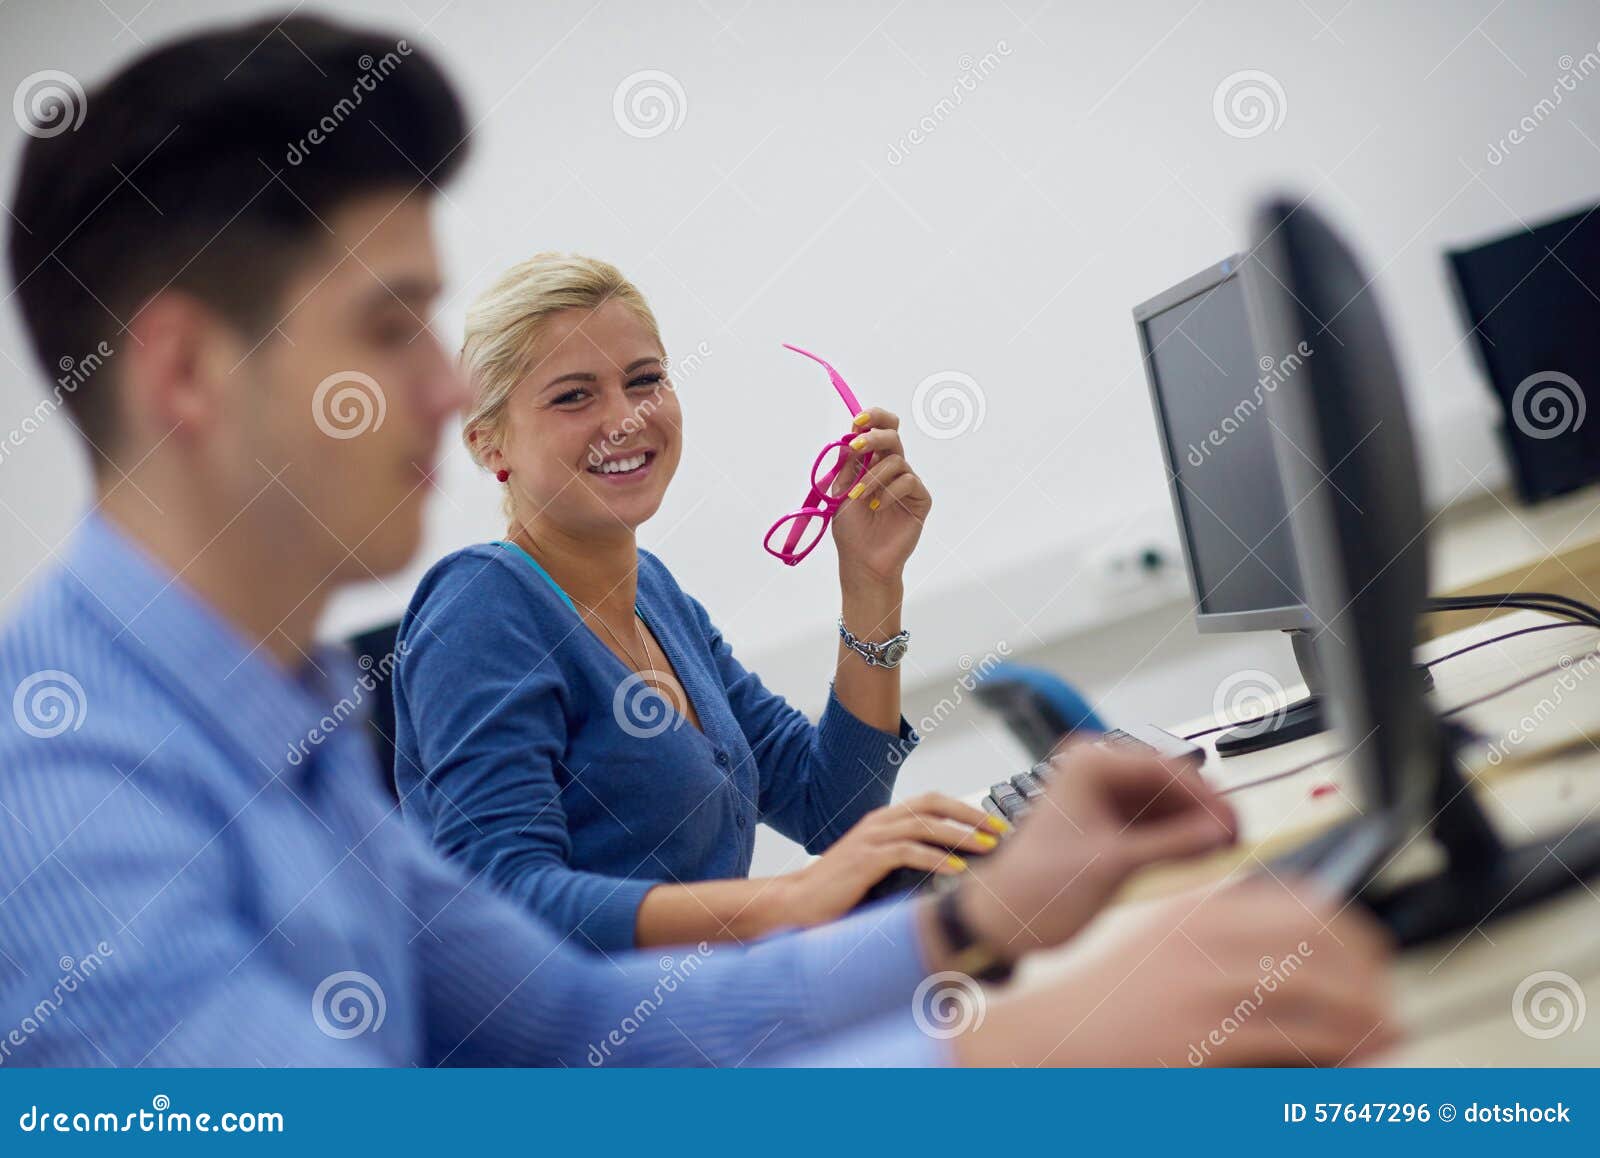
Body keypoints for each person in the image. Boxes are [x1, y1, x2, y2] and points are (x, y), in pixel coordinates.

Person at [0, 12, 1395, 1068]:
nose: (433, 386)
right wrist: (1012, 1049)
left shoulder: (276, 711)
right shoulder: (60, 783)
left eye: (644, 377)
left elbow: (569, 1014)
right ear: (184, 372)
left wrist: (978, 921)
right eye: (389, 328)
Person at [391, 252, 996, 951]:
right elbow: (507, 902)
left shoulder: (655, 594)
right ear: (489, 443)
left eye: (645, 381)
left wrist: (871, 582)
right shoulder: (479, 605)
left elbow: (832, 809)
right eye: (574, 396)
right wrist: (781, 902)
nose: (625, 418)